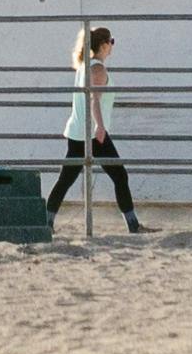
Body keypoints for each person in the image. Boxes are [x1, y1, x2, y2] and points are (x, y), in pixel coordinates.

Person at [49, 24, 147, 232]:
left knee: (65, 180)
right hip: (94, 134)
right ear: (103, 45)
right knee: (120, 175)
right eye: (111, 42)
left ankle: (47, 221)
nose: (112, 46)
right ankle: (133, 225)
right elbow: (94, 100)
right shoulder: (97, 69)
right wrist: (100, 127)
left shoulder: (85, 66)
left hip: (77, 132)